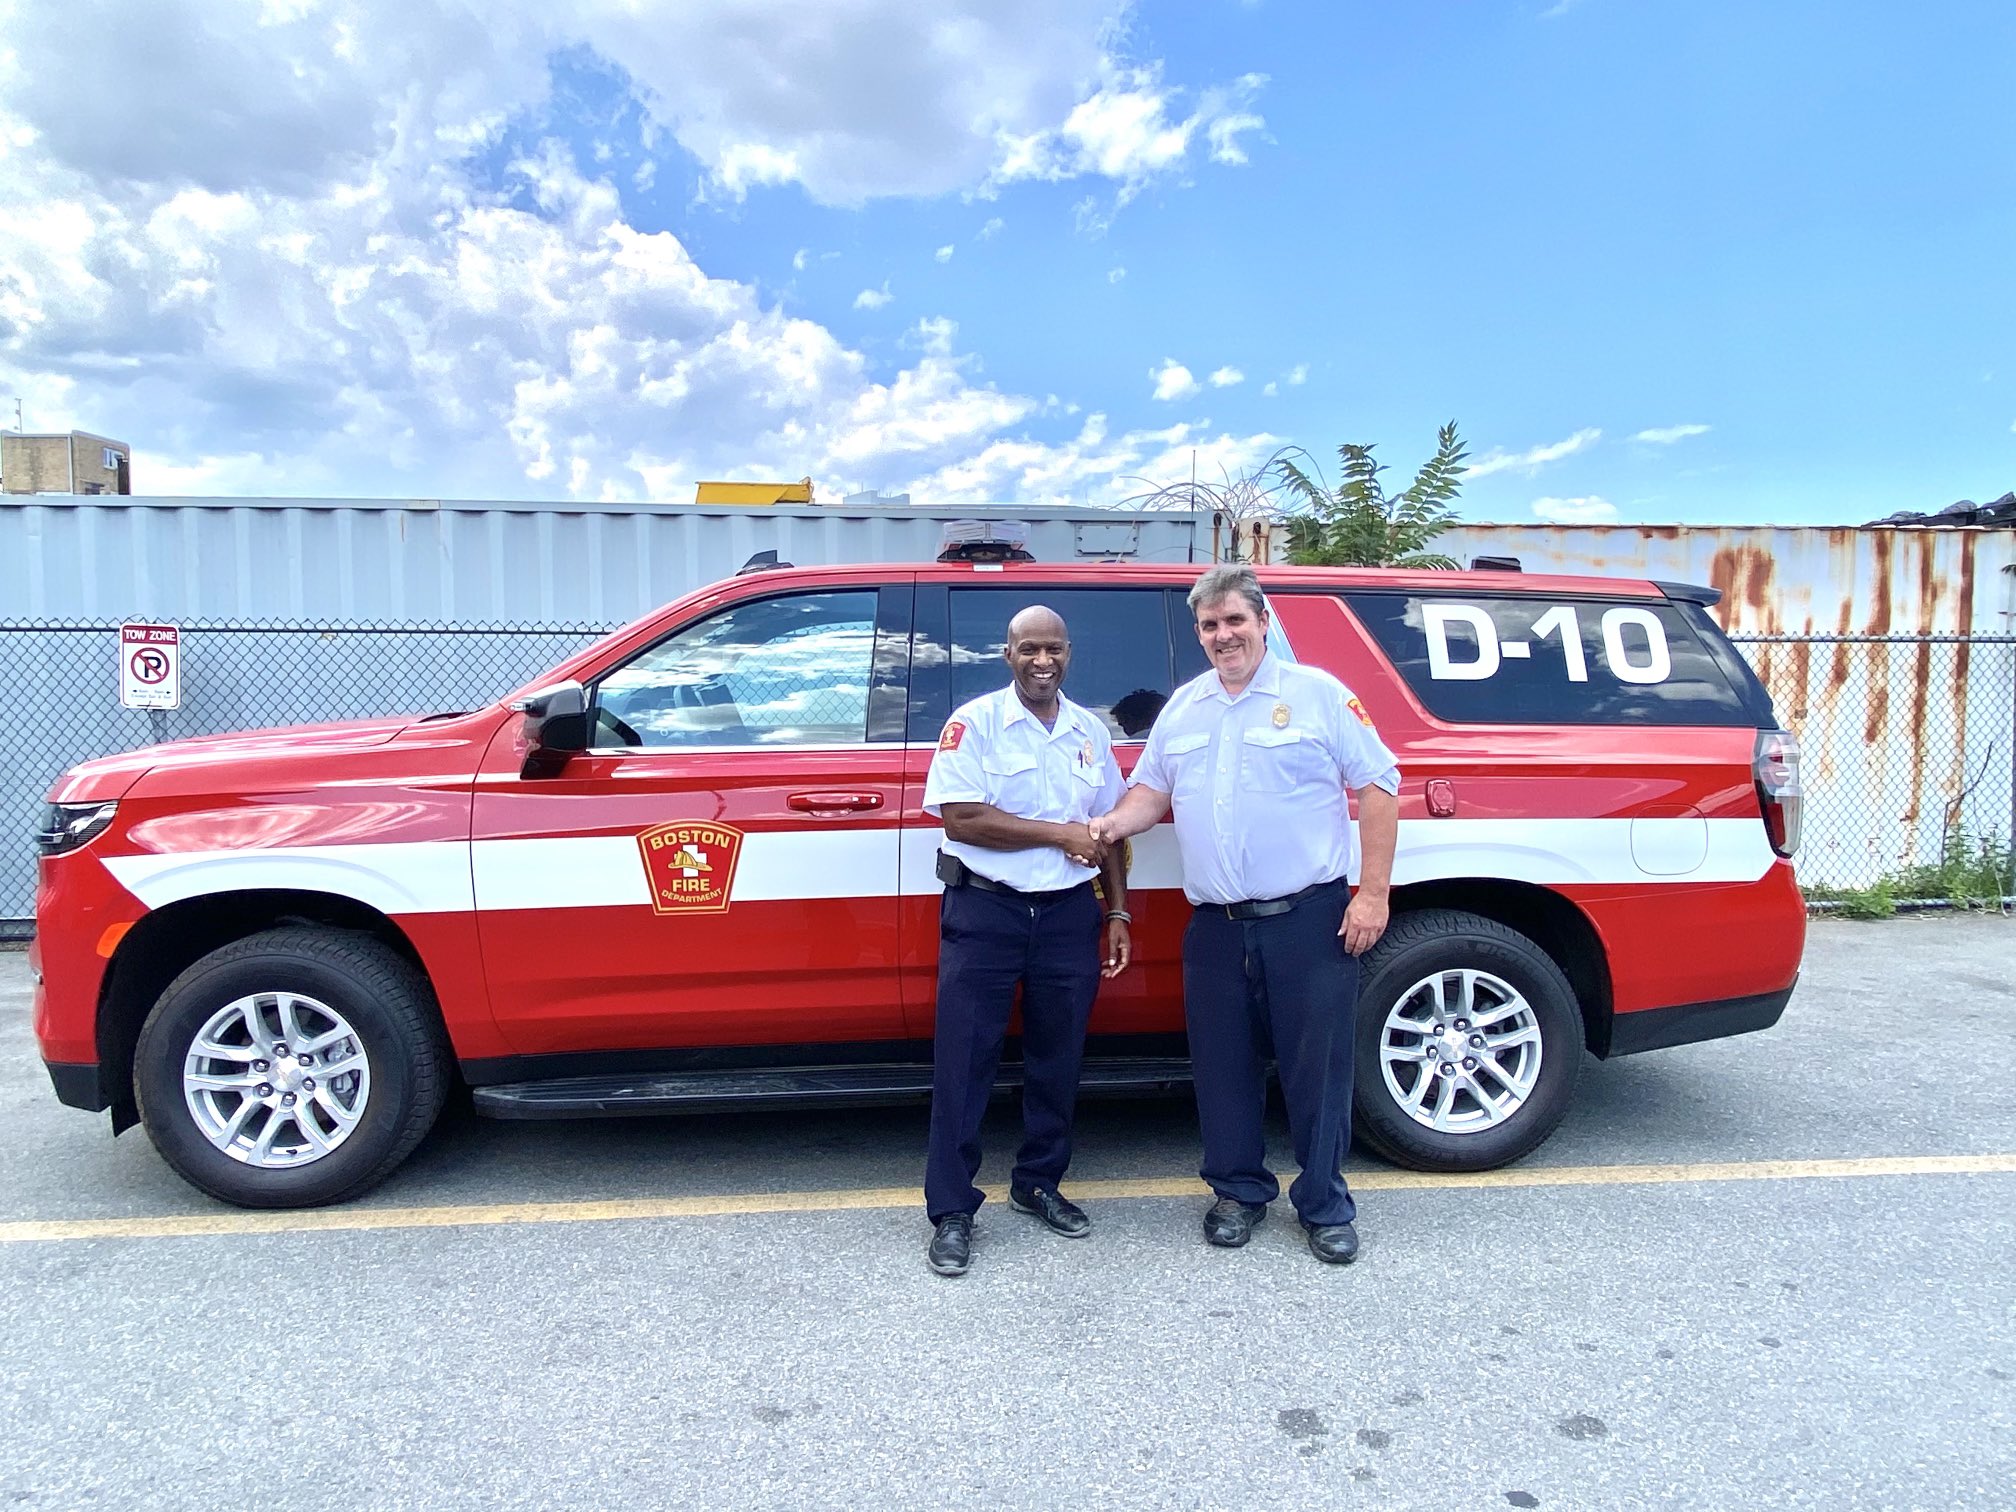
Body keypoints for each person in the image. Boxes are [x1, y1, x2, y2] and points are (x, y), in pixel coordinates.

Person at [1090, 564, 1399, 1264]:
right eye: (1209, 625)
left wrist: (1373, 893)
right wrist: (1105, 827)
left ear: (1262, 622)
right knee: (1222, 1066)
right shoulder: (1184, 709)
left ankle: (1324, 1204)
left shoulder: (1318, 695)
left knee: (1316, 1069)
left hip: (1309, 918)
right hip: (1217, 926)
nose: (1223, 635)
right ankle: (1237, 1192)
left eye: (1234, 620)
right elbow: (1150, 793)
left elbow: (1379, 785)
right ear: (1198, 633)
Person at [921, 605, 1132, 1277]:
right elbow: (960, 819)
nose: (1043, 661)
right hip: (987, 912)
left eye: (1054, 650)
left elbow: (1107, 830)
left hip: (1068, 915)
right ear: (1007, 653)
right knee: (965, 1061)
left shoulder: (1088, 731)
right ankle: (952, 1210)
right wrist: (1057, 834)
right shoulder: (975, 724)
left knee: (1057, 1058)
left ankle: (1039, 1182)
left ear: (1069, 653)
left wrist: (1118, 911)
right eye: (1030, 649)